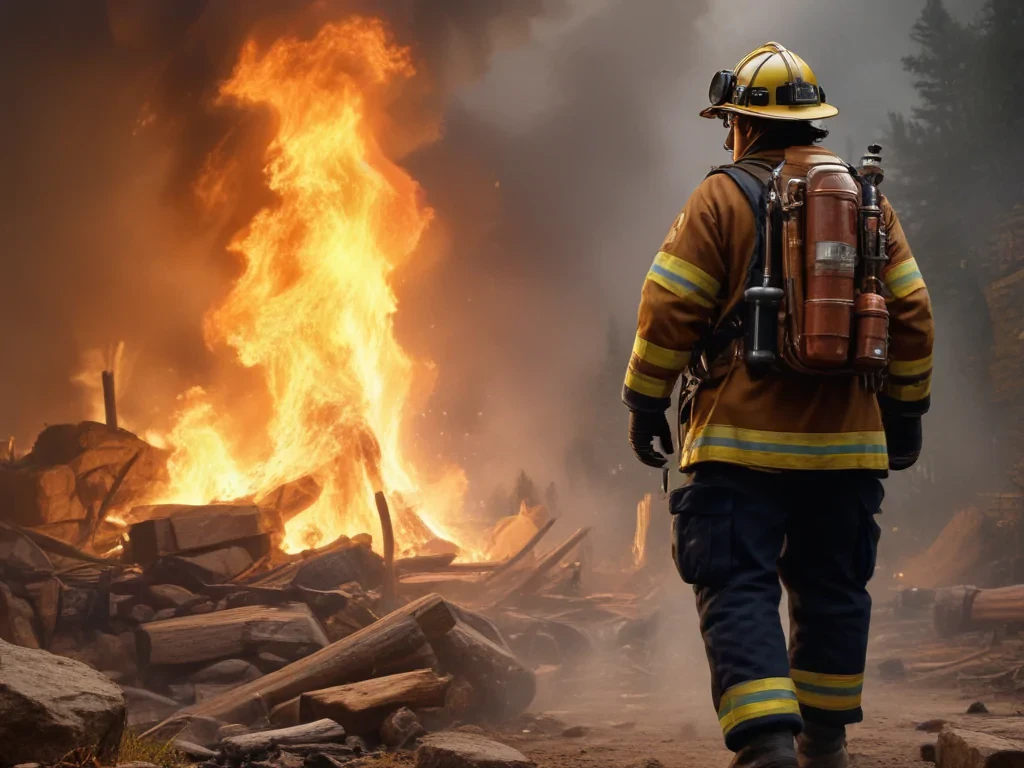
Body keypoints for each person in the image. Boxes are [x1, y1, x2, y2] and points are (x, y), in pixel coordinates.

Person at [622, 43, 933, 768]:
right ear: (813, 120)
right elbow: (913, 314)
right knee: (833, 591)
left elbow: (669, 308)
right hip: (848, 448)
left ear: (742, 124)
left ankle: (766, 747)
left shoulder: (719, 199)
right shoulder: (866, 202)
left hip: (739, 445)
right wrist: (904, 414)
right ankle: (824, 743)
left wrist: (644, 400)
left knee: (738, 587)